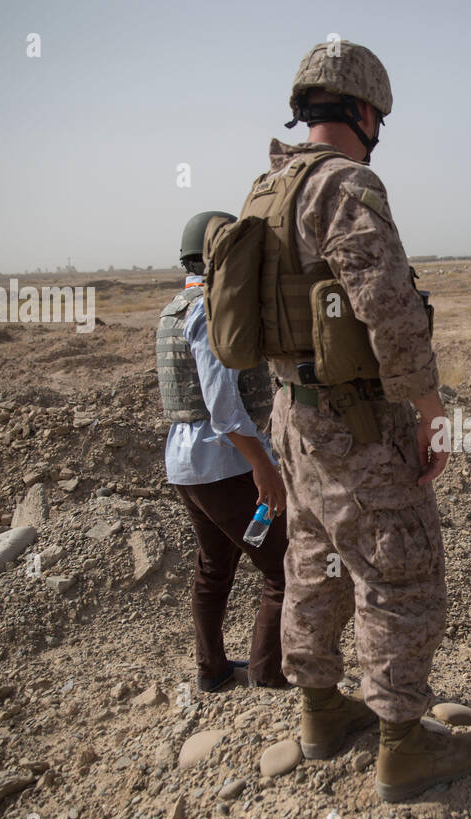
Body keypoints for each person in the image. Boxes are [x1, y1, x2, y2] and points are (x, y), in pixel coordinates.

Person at [239, 40, 471, 801]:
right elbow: (388, 306)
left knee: (311, 562)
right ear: (362, 110)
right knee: (400, 571)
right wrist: (430, 409)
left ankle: (318, 715)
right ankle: (403, 746)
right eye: (377, 114)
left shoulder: (263, 189)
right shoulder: (347, 185)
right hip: (354, 423)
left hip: (292, 416)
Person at [159, 211, 290, 693]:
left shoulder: (175, 306)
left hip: (185, 463)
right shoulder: (211, 310)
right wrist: (263, 466)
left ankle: (212, 670)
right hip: (223, 462)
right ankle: (268, 674)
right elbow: (224, 408)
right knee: (284, 564)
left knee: (214, 567)